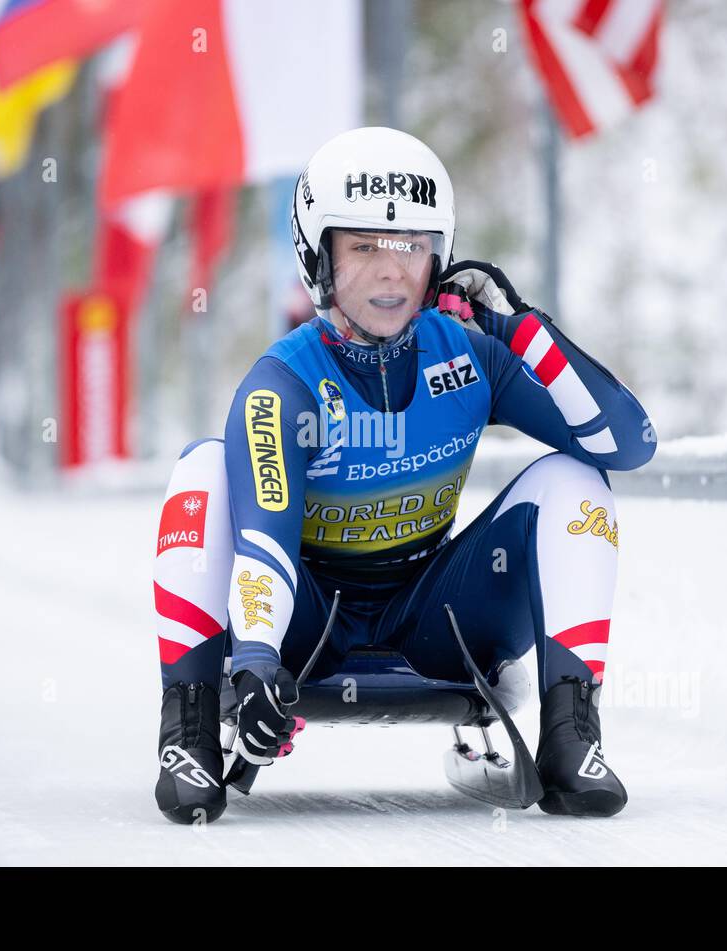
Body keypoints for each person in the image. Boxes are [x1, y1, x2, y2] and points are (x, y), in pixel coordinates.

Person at [153, 127, 656, 824]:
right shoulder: (282, 382)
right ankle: (188, 729)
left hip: (435, 615)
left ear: (438, 259)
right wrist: (258, 662)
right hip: (306, 622)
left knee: (576, 477)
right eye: (364, 248)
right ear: (317, 256)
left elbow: (626, 442)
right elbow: (264, 541)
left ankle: (574, 734)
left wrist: (520, 331)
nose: (392, 273)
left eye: (411, 248)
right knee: (204, 466)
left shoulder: (472, 354)